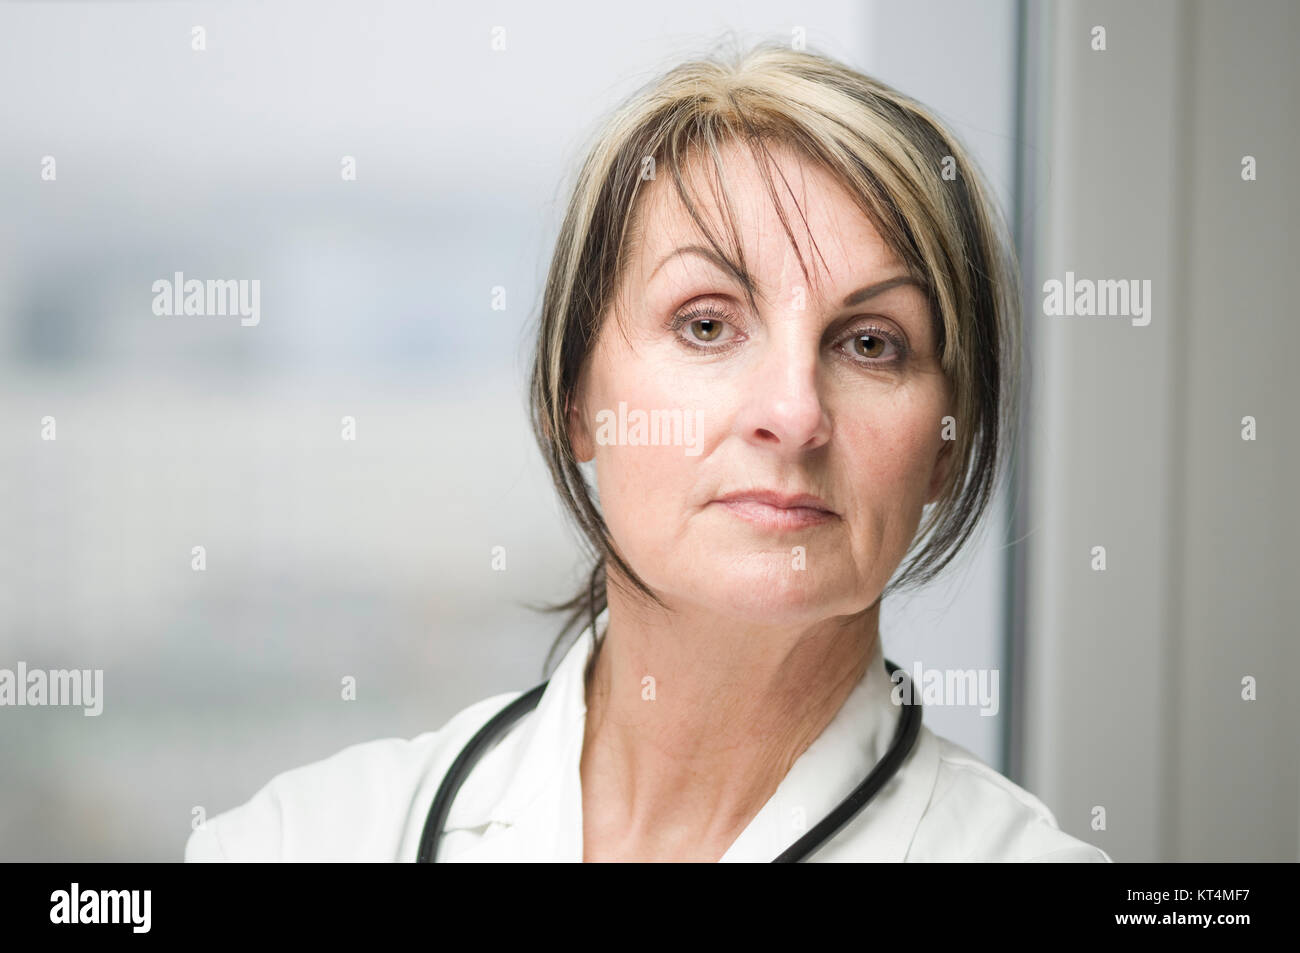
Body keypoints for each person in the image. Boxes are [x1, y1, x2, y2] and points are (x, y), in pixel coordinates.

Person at [186, 40, 1111, 863]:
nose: (793, 415)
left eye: (871, 343)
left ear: (948, 446)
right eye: (707, 324)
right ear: (573, 397)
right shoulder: (292, 841)